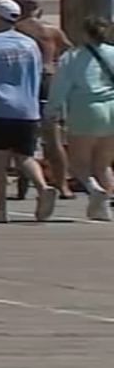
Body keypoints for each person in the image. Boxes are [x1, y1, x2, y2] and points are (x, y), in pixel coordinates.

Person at [0, 0, 55, 223]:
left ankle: (1, 209)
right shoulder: (30, 44)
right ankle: (43, 187)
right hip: (28, 108)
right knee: (24, 156)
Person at [45, 16, 114, 220]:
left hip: (86, 108)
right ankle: (103, 207)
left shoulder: (72, 57)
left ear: (84, 33)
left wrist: (51, 110)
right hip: (112, 107)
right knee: (103, 162)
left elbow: (60, 87)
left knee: (78, 162)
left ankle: (94, 190)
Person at [16, 0, 74, 197]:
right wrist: (54, 61)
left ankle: (24, 184)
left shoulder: (17, 30)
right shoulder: (52, 30)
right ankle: (62, 185)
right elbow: (69, 50)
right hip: (49, 79)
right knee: (54, 137)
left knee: (23, 135)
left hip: (26, 82)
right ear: (39, 10)